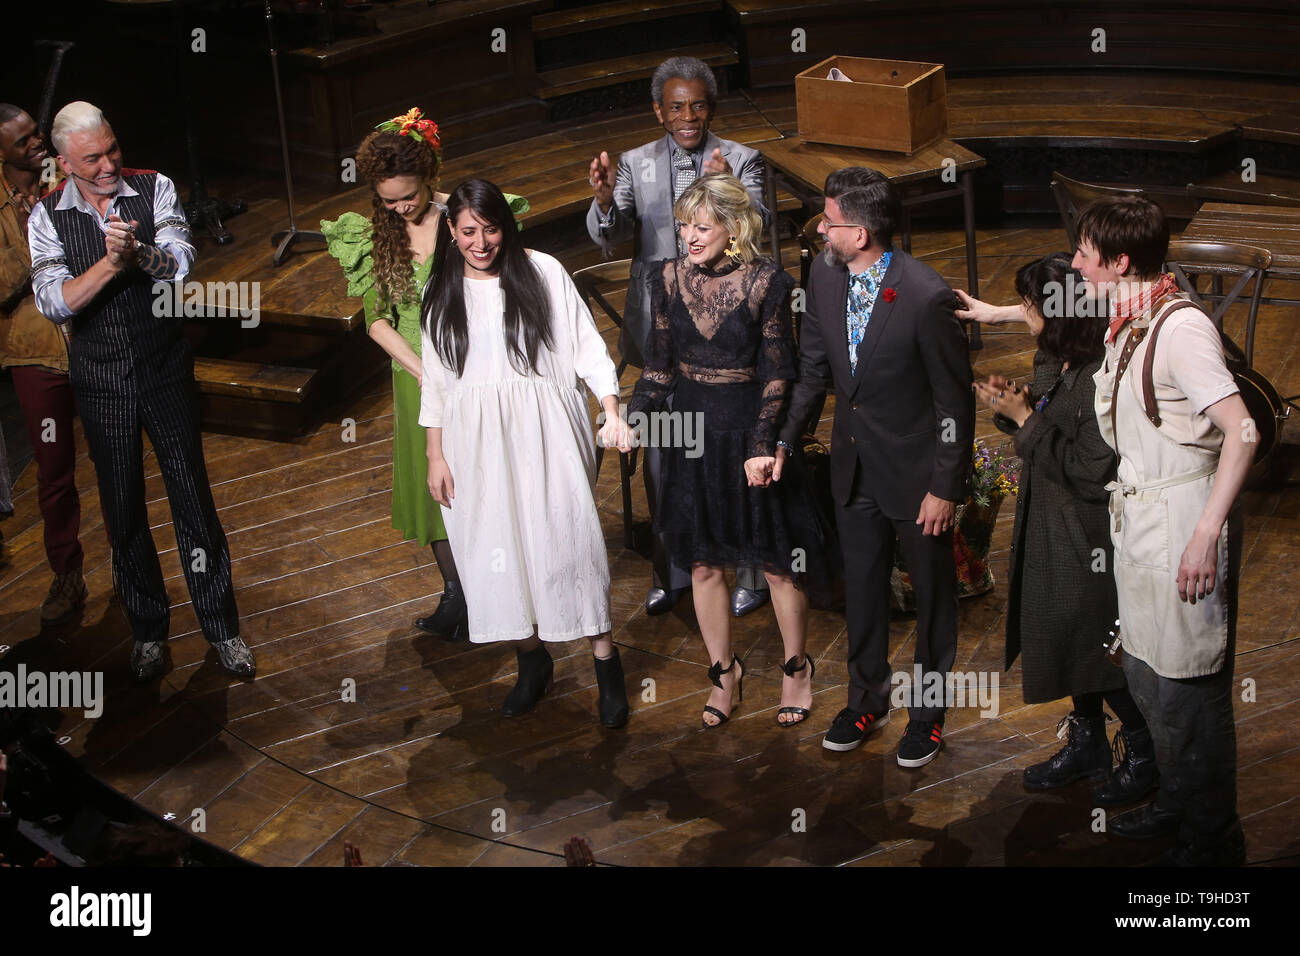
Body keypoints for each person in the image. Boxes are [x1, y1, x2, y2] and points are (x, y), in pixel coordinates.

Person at [27, 101, 253, 681]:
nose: (108, 165)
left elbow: (180, 264)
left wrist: (140, 254)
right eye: (92, 158)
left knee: (193, 503)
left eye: (112, 149)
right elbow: (54, 302)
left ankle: (222, 627)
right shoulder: (47, 215)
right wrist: (108, 263)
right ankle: (149, 632)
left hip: (164, 368)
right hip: (100, 383)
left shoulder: (154, 187)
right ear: (64, 163)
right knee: (123, 510)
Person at [1075, 196, 1251, 866]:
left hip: (1182, 522)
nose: (1077, 265)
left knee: (1189, 693)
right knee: (1150, 678)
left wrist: (1205, 534)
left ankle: (1214, 843)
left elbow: (1243, 429)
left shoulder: (1180, 331)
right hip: (1145, 520)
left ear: (1121, 262)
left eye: (1087, 255)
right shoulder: (1132, 319)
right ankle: (1178, 802)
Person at [419, 178, 631, 727]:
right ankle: (532, 660)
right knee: (498, 549)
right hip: (476, 442)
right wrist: (435, 456)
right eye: (468, 231)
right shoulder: (441, 288)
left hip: (548, 432)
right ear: (451, 230)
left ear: (505, 228)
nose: (481, 242)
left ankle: (606, 663)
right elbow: (437, 383)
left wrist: (610, 407)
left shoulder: (542, 271)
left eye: (490, 229)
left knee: (567, 541)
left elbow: (587, 346)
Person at [780, 166, 973, 766]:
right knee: (861, 592)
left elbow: (954, 401)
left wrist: (945, 487)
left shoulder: (924, 294)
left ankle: (929, 717)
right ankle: (867, 699)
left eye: (828, 222)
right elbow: (814, 371)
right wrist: (785, 441)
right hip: (853, 469)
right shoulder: (822, 274)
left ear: (859, 233)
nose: (819, 230)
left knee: (934, 601)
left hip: (918, 481)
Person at [623, 173, 819, 728]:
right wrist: (638, 416)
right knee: (705, 563)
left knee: (778, 565)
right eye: (684, 224)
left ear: (734, 228)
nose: (688, 235)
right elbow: (658, 367)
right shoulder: (665, 278)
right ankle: (724, 673)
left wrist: (762, 446)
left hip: (747, 435)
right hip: (691, 434)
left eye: (702, 226)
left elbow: (780, 374)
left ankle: (796, 669)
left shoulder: (768, 284)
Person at [321, 109, 524, 640]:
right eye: (388, 199)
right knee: (438, 485)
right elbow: (377, 321)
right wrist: (424, 371)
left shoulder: (461, 221)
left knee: (486, 477)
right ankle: (456, 592)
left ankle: (500, 587)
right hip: (418, 378)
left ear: (428, 177)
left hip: (476, 367)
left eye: (407, 195)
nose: (400, 207)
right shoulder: (375, 234)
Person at [961, 253, 1157, 806]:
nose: (1023, 313)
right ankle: (1088, 741)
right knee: (1064, 635)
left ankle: (1145, 753)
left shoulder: (1103, 370)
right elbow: (1045, 416)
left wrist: (1024, 420)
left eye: (1028, 305)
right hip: (1048, 517)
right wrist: (1013, 406)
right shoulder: (1057, 355)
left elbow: (1090, 468)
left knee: (1095, 641)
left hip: (1087, 530)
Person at [586, 54, 771, 619]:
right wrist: (599, 201)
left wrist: (726, 188)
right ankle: (673, 571)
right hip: (662, 342)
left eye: (697, 106)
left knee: (732, 455)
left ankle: (749, 571)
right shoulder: (634, 164)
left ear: (710, 108)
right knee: (667, 458)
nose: (687, 116)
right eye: (675, 107)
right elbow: (611, 236)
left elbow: (761, 229)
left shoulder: (744, 159)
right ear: (658, 112)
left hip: (730, 342)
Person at [0, 103, 90, 625]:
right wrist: (44, 241)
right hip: (34, 351)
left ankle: (132, 565)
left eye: (37, 133)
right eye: (23, 141)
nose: (37, 144)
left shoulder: (71, 177)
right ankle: (66, 573)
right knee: (53, 472)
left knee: (116, 459)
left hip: (91, 336)